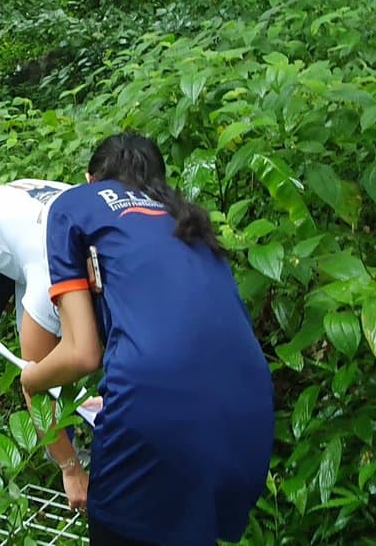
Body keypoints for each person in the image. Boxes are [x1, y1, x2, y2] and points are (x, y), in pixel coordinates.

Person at [21, 133, 273, 546]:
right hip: (248, 412)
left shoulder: (74, 205)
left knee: (121, 531)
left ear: (90, 179)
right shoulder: (188, 219)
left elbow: (82, 353)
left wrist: (31, 379)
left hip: (151, 406)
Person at [0, 179, 89, 511]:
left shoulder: (97, 242)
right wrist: (71, 469)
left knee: (62, 354)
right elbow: (33, 377)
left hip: (25, 239)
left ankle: (62, 440)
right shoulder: (53, 272)